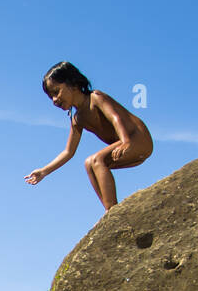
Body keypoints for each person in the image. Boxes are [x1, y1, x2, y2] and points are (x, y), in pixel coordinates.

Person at [25, 61, 153, 210]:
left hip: (137, 138)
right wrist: (44, 171)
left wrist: (125, 141)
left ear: (72, 84)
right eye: (50, 97)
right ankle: (109, 210)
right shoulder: (77, 119)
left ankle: (113, 211)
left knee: (97, 160)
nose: (54, 100)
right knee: (89, 164)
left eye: (56, 92)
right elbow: (68, 152)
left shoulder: (95, 98)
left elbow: (115, 118)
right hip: (127, 145)